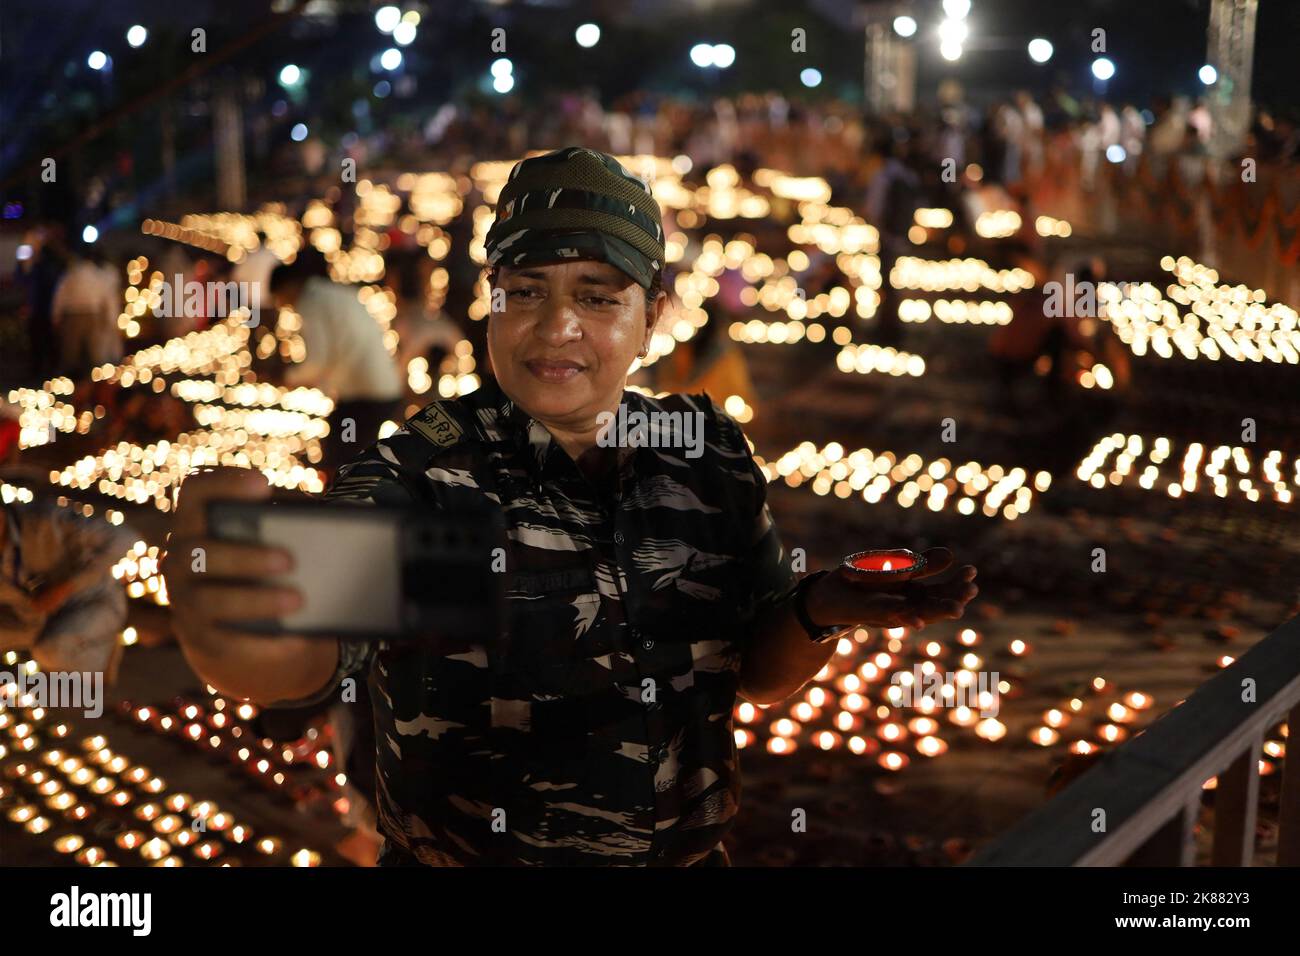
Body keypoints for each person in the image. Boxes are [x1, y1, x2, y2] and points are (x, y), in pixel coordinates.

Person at [164, 147, 978, 867]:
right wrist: (235, 637)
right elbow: (301, 656)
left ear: (653, 316)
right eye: (524, 292)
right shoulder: (427, 477)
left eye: (597, 297)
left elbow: (755, 669)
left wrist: (818, 609)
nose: (555, 328)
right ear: (491, 305)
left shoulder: (704, 454)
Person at [268, 250, 404, 474]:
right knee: (352, 449)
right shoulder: (334, 293)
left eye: (279, 299)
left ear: (288, 287)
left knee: (341, 452)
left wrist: (287, 377)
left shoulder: (311, 302)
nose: (283, 305)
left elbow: (318, 361)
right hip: (381, 389)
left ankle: (343, 503)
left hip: (364, 397)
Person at [0, 498, 134, 680]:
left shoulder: (45, 521)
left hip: (90, 600)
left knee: (50, 651)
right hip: (31, 618)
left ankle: (99, 665)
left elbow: (125, 538)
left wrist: (64, 588)